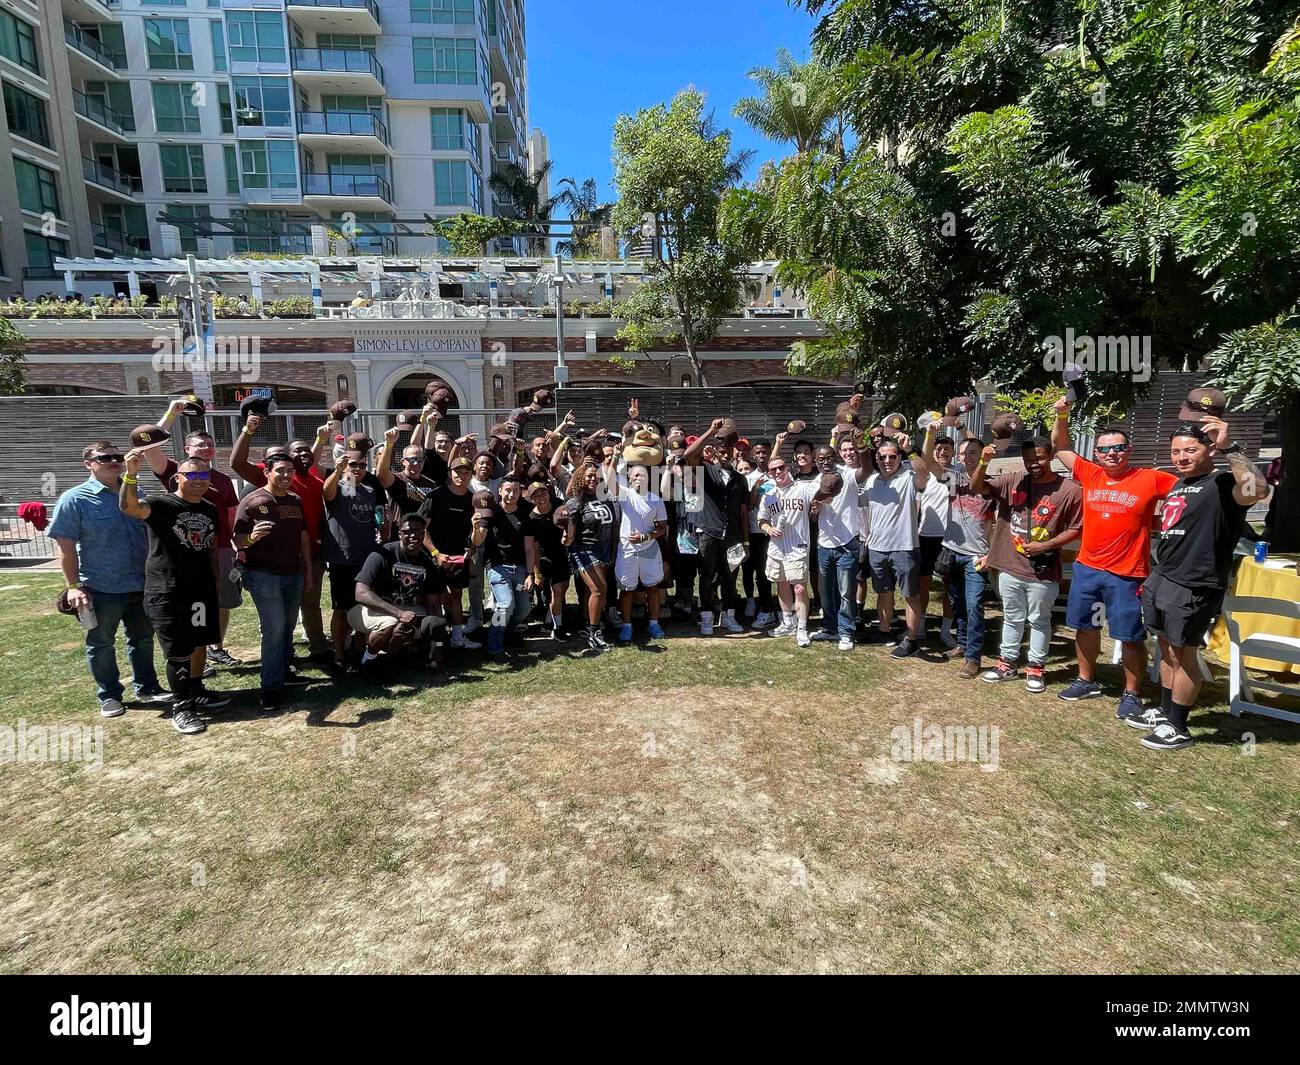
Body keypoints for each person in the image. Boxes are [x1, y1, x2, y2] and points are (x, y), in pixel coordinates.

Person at [1132, 419, 1269, 750]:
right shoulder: (1181, 483)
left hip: (1196, 583)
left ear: (1209, 449)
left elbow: (1258, 490)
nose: (1181, 457)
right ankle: (1166, 712)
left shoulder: (1221, 482)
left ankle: (1179, 726)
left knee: (1184, 654)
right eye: (1176, 451)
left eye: (1190, 450)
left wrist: (1230, 449)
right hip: (1164, 578)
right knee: (1165, 647)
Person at [1051, 397, 1178, 719]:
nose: (1112, 454)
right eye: (1105, 449)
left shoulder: (1151, 478)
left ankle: (1131, 693)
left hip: (1128, 574)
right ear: (1096, 453)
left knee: (1129, 635)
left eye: (1118, 448)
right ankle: (1085, 679)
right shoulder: (1090, 473)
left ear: (1129, 450)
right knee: (1086, 627)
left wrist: (1165, 523)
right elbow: (1060, 446)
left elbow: (1189, 494)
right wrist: (1062, 414)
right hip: (1088, 569)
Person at [49, 440, 169, 717]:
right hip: (101, 586)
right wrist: (73, 587)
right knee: (101, 642)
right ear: (88, 464)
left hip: (141, 582)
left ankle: (147, 686)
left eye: (117, 457)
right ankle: (110, 695)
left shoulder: (136, 491)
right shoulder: (75, 499)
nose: (114, 461)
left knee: (142, 638)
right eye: (104, 458)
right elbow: (65, 547)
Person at [118, 451, 224, 734]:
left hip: (200, 589)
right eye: (192, 475)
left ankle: (196, 689)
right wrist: (130, 474)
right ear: (178, 478)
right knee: (179, 651)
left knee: (199, 642)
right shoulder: (161, 504)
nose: (199, 481)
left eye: (204, 475)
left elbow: (210, 549)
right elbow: (130, 508)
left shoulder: (209, 509)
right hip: (167, 589)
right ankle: (182, 706)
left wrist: (214, 581)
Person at [971, 436, 1082, 691]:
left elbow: (1077, 527)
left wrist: (1046, 545)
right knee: (1012, 617)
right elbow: (978, 487)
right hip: (1010, 565)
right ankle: (1006, 664)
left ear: (1051, 456)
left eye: (1040, 458)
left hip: (1042, 571)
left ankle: (1035, 668)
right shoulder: (1014, 480)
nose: (1034, 464)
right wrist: (983, 463)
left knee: (1040, 620)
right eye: (1029, 459)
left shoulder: (1069, 490)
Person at [146, 405, 242, 669]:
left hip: (219, 548)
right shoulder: (175, 472)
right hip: (183, 554)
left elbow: (231, 513)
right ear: (187, 449)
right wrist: (171, 413)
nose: (206, 448)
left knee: (221, 602)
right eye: (199, 445)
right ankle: (190, 656)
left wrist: (236, 545)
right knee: (188, 606)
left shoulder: (221, 479)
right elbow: (150, 447)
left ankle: (216, 648)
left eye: (210, 445)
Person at [231, 413, 333, 662]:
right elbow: (237, 464)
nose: (302, 455)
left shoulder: (316, 479)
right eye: (296, 452)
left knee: (310, 604)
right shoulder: (280, 479)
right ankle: (281, 661)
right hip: (273, 562)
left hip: (309, 552)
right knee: (279, 618)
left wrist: (320, 440)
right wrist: (248, 430)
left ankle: (318, 647)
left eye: (305, 451)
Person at [233, 453, 313, 711]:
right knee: (274, 629)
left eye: (290, 470)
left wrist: (308, 569)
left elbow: (303, 537)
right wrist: (252, 538)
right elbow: (238, 539)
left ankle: (285, 673)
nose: (287, 475)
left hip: (293, 573)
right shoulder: (254, 501)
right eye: (280, 470)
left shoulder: (295, 500)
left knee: (287, 627)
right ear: (267, 472)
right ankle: (270, 688)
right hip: (263, 575)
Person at [919, 434, 997, 678]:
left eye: (973, 452)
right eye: (964, 453)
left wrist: (992, 554)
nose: (967, 457)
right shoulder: (953, 478)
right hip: (951, 551)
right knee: (958, 603)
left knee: (975, 606)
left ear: (983, 455)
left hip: (976, 555)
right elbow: (929, 464)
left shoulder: (993, 484)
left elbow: (999, 523)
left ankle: (973, 658)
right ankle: (962, 645)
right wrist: (930, 434)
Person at [862, 429, 933, 658]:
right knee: (884, 592)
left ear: (899, 457)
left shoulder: (909, 478)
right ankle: (884, 631)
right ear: (876, 458)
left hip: (904, 546)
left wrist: (910, 449)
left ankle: (911, 640)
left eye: (892, 456)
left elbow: (924, 471)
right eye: (882, 457)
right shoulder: (872, 481)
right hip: (877, 547)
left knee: (910, 595)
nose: (887, 461)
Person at [351, 513, 447, 676]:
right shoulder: (383, 553)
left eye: (419, 532)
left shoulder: (426, 563)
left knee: (432, 621)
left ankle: (406, 653)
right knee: (390, 623)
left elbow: (433, 603)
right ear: (399, 533)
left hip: (406, 608)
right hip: (372, 608)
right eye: (408, 531)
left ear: (424, 534)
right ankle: (368, 659)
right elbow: (361, 593)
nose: (414, 536)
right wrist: (398, 613)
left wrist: (437, 640)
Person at [682, 419, 749, 636]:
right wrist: (711, 430)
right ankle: (707, 618)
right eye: (721, 450)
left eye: (729, 450)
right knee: (707, 577)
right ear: (715, 453)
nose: (726, 453)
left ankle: (729, 618)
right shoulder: (705, 470)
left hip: (731, 535)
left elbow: (742, 513)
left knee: (730, 578)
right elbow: (688, 454)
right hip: (708, 532)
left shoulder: (741, 479)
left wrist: (745, 541)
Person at [322, 442, 384, 671]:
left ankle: (359, 650)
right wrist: (339, 471)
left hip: (364, 559)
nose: (357, 469)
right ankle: (339, 655)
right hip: (342, 559)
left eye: (362, 465)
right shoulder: (340, 486)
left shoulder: (369, 491)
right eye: (353, 465)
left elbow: (375, 521)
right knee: (340, 609)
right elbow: (327, 494)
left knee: (363, 607)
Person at [809, 437, 871, 651]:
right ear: (816, 461)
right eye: (821, 459)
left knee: (846, 591)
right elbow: (813, 517)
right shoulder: (814, 482)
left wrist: (861, 446)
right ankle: (829, 627)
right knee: (825, 591)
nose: (825, 462)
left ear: (835, 458)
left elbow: (867, 469)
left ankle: (846, 631)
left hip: (847, 544)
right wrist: (815, 511)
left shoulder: (848, 474)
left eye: (829, 458)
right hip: (824, 544)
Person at [416, 453, 481, 649]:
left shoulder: (473, 500)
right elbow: (421, 529)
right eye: (457, 471)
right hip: (434, 556)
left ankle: (457, 638)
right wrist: (436, 553)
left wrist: (470, 549)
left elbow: (475, 531)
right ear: (449, 473)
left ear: (472, 474)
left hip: (459, 558)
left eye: (466, 471)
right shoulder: (436, 496)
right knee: (434, 596)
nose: (461, 475)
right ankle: (431, 639)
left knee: (456, 595)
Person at [756, 454, 822, 646]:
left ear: (788, 468)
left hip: (798, 546)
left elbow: (819, 502)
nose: (778, 472)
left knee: (800, 588)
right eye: (773, 470)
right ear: (769, 473)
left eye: (781, 468)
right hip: (776, 548)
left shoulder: (803, 489)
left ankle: (802, 628)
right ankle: (788, 622)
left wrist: (816, 507)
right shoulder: (768, 495)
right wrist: (769, 529)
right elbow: (761, 520)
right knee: (782, 584)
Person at [470, 477, 535, 659]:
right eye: (507, 490)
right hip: (498, 569)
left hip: (521, 570)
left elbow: (529, 547)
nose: (511, 494)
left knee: (524, 608)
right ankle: (494, 645)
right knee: (505, 605)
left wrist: (531, 574)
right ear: (500, 491)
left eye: (515, 490)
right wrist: (475, 528)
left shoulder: (525, 513)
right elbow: (478, 540)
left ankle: (505, 632)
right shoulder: (491, 512)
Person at [609, 463, 669, 642]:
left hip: (649, 550)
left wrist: (645, 537)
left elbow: (662, 527)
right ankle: (627, 626)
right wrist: (614, 458)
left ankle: (653, 624)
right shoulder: (624, 495)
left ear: (648, 479)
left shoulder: (656, 500)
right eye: (635, 475)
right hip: (627, 550)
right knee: (627, 590)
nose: (638, 478)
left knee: (652, 588)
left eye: (642, 475)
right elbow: (610, 480)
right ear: (629, 479)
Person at [565, 458, 618, 651]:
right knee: (599, 589)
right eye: (589, 476)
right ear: (580, 477)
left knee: (592, 591)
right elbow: (569, 527)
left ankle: (588, 625)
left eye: (596, 476)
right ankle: (595, 633)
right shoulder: (575, 501)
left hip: (604, 548)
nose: (593, 480)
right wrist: (567, 536)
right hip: (584, 549)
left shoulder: (603, 495)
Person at [523, 481, 573, 639]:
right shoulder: (531, 519)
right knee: (556, 590)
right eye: (536, 496)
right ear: (532, 500)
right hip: (545, 559)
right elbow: (533, 548)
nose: (541, 498)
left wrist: (568, 533)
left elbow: (570, 522)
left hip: (562, 555)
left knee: (563, 588)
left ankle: (549, 619)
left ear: (548, 493)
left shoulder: (559, 505)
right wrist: (537, 573)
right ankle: (557, 628)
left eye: (543, 493)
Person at [742, 440, 777, 628]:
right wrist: (755, 487)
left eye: (765, 452)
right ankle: (766, 610)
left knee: (781, 572)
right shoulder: (750, 477)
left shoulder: (779, 473)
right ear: (753, 455)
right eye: (758, 453)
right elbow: (749, 506)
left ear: (770, 452)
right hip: (757, 532)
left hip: (780, 531)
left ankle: (782, 609)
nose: (761, 455)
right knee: (761, 573)